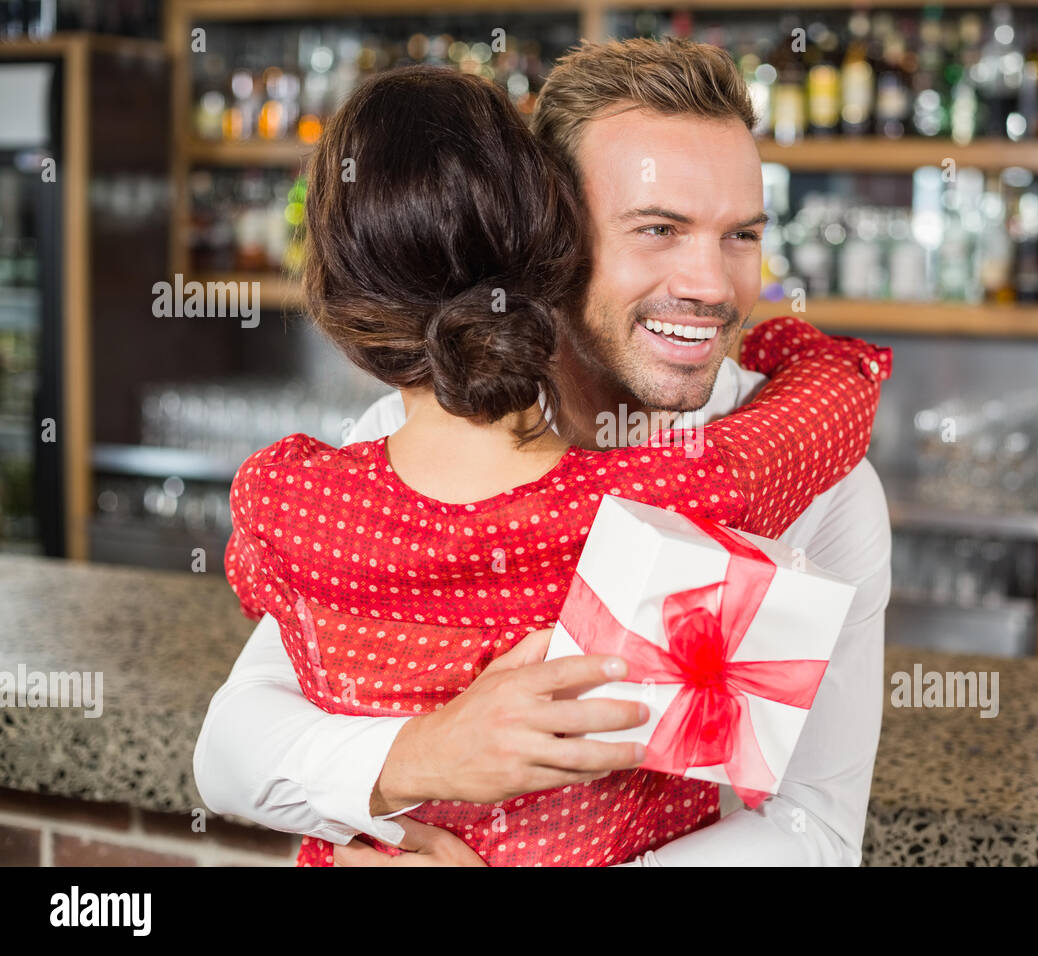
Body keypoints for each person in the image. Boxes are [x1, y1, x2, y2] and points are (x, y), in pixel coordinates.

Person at [196, 38, 892, 867]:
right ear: (545, 233)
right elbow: (232, 755)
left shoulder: (824, 485)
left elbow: (814, 828)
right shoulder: (394, 440)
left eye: (741, 234)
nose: (714, 284)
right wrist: (429, 750)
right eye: (659, 229)